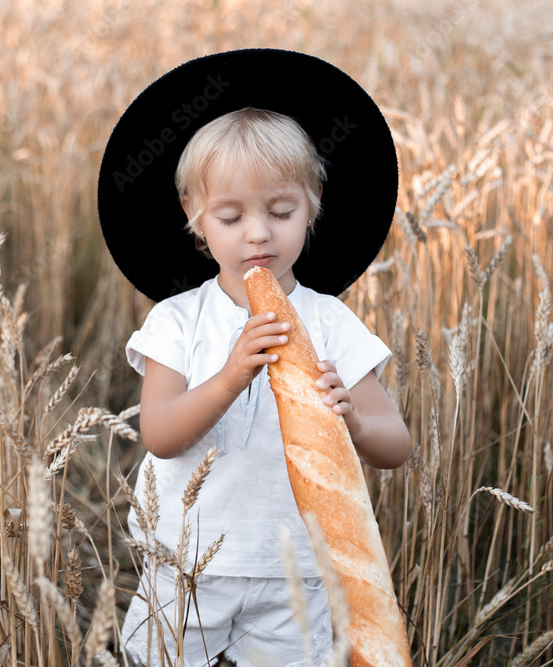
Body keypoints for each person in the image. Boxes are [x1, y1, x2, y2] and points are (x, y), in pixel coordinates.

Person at [97, 49, 411, 667]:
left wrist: (349, 423)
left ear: (312, 210)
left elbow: (396, 445)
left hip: (294, 570)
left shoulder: (330, 322)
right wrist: (231, 374)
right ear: (198, 224)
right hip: (185, 564)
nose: (258, 234)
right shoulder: (178, 320)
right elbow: (158, 434)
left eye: (281, 212)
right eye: (231, 216)